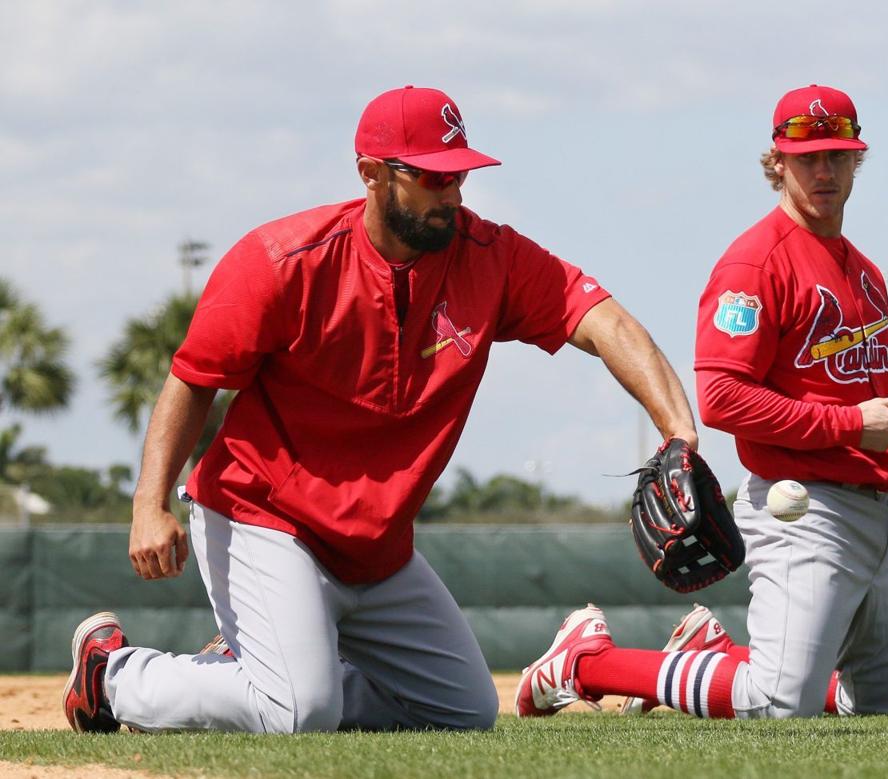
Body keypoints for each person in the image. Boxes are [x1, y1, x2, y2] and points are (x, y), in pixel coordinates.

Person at [62, 86, 698, 734]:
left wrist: (678, 429)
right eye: (431, 176)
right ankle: (113, 676)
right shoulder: (284, 261)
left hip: (376, 550)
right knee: (299, 712)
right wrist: (149, 503)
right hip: (264, 518)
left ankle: (260, 665)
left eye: (459, 175)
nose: (451, 193)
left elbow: (603, 321)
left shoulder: (489, 258)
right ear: (371, 174)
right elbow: (191, 380)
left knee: (464, 711)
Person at [515, 85, 888, 720]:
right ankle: (586, 663)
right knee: (778, 705)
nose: (824, 170)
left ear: (855, 162)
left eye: (837, 156)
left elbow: (863, 405)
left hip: (875, 516)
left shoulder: (864, 272)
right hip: (803, 508)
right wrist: (850, 425)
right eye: (807, 156)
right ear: (778, 162)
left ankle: (714, 650)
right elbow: (723, 399)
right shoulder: (755, 264)